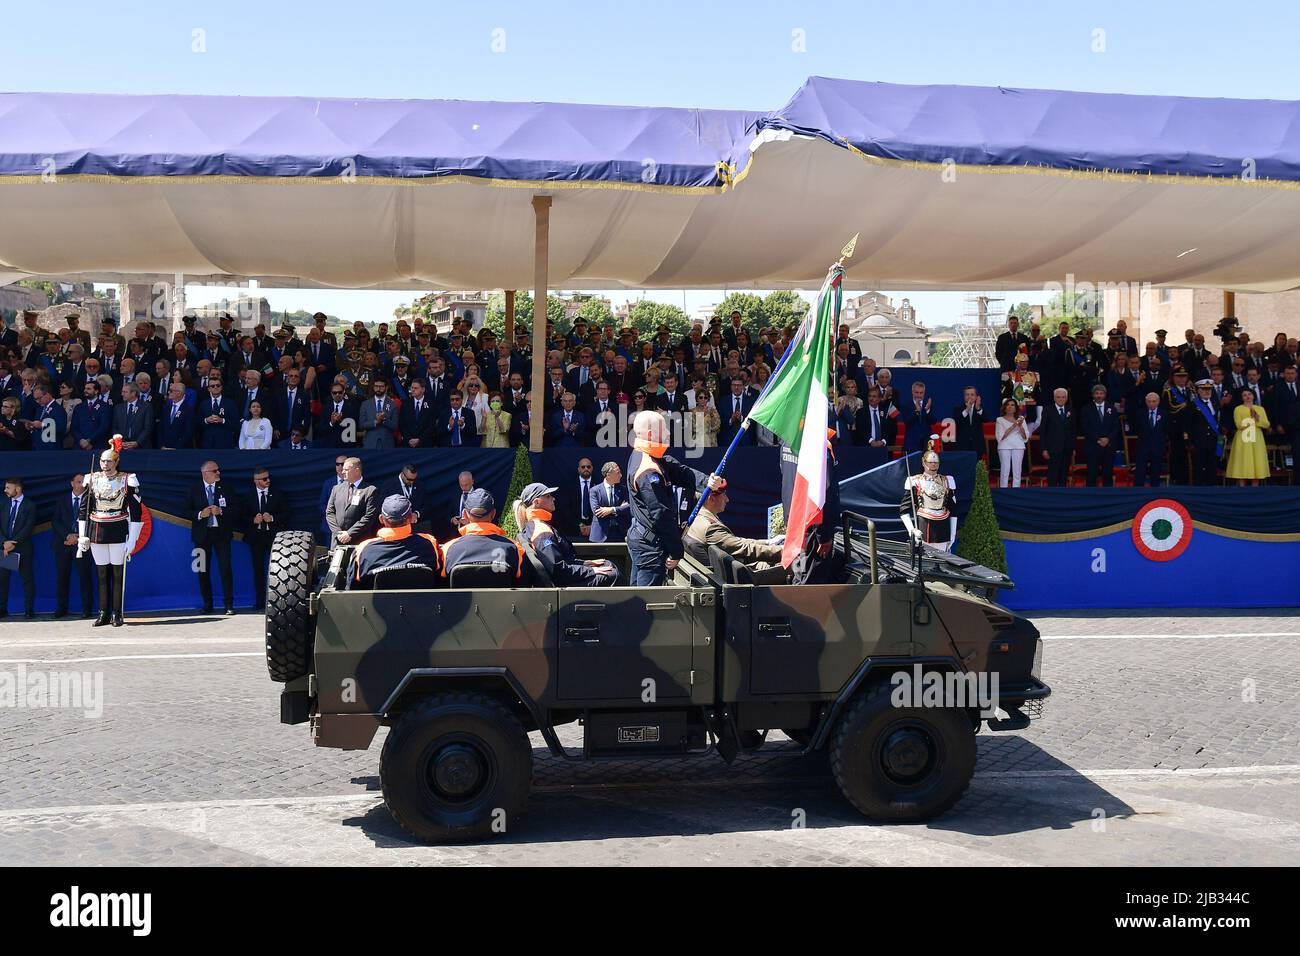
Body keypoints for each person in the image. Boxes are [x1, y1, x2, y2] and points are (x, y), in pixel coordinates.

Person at [625, 410, 720, 586]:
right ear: (652, 434)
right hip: (650, 547)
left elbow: (679, 470)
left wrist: (708, 481)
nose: (669, 433)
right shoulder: (648, 471)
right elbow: (661, 515)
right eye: (664, 428)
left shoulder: (646, 454)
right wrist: (676, 552)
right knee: (646, 604)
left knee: (638, 596)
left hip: (643, 539)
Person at [78, 437, 143, 626]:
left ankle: (117, 612)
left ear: (116, 462)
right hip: (97, 528)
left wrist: (133, 540)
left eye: (109, 461)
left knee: (117, 572)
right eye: (103, 460)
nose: (105, 464)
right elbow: (84, 509)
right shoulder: (92, 478)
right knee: (101, 573)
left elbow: (136, 512)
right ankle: (103, 612)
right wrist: (83, 534)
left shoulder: (127, 480)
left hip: (117, 527)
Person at [515, 483, 618, 587]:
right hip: (561, 588)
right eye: (548, 496)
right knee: (612, 574)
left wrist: (585, 563)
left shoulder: (537, 525)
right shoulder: (541, 532)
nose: (553, 499)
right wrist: (590, 571)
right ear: (536, 502)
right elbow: (558, 571)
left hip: (565, 578)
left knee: (608, 564)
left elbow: (560, 562)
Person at [684, 479, 785, 583]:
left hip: (732, 569)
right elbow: (744, 548)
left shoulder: (698, 517)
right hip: (741, 575)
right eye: (724, 495)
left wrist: (769, 542)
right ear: (711, 498)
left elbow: (735, 542)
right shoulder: (710, 527)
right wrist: (781, 551)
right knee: (792, 568)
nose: (727, 499)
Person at [350, 495, 443, 589]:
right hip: (424, 603)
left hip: (381, 604)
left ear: (381, 519)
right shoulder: (430, 543)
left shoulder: (363, 550)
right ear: (411, 518)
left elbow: (351, 588)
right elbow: (440, 579)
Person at [441, 488, 528, 585]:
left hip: (461, 601)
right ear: (493, 514)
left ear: (465, 515)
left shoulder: (447, 549)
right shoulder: (516, 548)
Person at [187, 460, 238, 615]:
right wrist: (200, 514)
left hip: (221, 535)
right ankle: (207, 604)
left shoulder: (226, 488)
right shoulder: (194, 489)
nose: (218, 473)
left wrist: (221, 511)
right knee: (202, 570)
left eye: (218, 470)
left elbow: (237, 508)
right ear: (205, 473)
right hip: (201, 537)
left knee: (225, 569)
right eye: (214, 471)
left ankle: (228, 605)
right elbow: (185, 510)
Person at [242, 467, 288, 610]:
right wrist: (253, 520)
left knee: (278, 570)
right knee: (258, 570)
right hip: (256, 537)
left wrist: (272, 518)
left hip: (274, 537)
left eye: (268, 478)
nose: (268, 481)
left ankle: (278, 601)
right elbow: (240, 517)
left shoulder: (278, 493)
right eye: (264, 479)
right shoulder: (248, 496)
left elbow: (287, 513)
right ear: (256, 481)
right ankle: (260, 601)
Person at [900, 438, 957, 552]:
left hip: (943, 527)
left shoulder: (947, 480)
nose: (933, 465)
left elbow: (953, 510)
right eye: (930, 462)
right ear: (923, 463)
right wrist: (912, 530)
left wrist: (952, 534)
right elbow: (904, 511)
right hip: (923, 526)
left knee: (942, 562)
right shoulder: (914, 481)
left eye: (936, 462)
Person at [52, 473, 96, 618]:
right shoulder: (62, 499)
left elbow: (92, 521)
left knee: (85, 577)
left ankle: (86, 609)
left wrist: (78, 537)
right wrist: (67, 536)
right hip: (63, 544)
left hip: (82, 543)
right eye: (78, 482)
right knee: (62, 577)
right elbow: (56, 521)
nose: (81, 484)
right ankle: (61, 608)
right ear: (72, 483)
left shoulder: (91, 500)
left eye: (84, 482)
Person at [0, 477, 37, 619]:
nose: (5, 490)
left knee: (27, 579)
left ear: (18, 488)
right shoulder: (3, 504)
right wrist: (4, 542)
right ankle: (2, 609)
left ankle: (29, 610)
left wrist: (13, 542)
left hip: (23, 548)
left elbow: (28, 527)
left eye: (8, 488)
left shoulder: (29, 506)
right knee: (2, 580)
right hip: (5, 549)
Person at [325, 457, 378, 548]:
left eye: (346, 469)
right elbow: (329, 512)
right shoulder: (336, 489)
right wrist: (338, 533)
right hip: (338, 541)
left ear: (357, 471)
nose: (342, 472)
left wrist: (349, 533)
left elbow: (369, 516)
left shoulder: (370, 490)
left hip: (359, 542)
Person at [1226, 387, 1271, 486]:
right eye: (1245, 395)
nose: (1247, 397)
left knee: (1256, 461)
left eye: (1249, 394)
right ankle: (1242, 490)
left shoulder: (1260, 409)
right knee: (1242, 461)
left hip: (1256, 438)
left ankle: (1254, 490)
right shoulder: (1238, 409)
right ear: (1242, 398)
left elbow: (1266, 424)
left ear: (1253, 396)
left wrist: (1257, 418)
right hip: (1243, 439)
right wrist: (1251, 419)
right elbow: (1238, 425)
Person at [1187, 379, 1226, 486]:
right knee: (1199, 469)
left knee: (1212, 468)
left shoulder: (1215, 403)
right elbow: (1188, 426)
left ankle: (1212, 492)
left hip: (1214, 442)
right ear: (1198, 390)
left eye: (1209, 389)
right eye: (1203, 389)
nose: (1207, 391)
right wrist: (1190, 442)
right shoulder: (1193, 405)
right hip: (1199, 442)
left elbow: (1218, 422)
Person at [1081, 383, 1121, 486]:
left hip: (1108, 446)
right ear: (1093, 395)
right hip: (1093, 446)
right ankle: (1090, 498)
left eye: (1101, 393)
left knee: (1107, 474)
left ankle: (1108, 497)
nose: (1099, 395)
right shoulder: (1086, 408)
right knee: (1092, 473)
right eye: (1097, 393)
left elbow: (1116, 427)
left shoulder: (1111, 408)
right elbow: (1085, 427)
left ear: (1105, 395)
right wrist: (1098, 439)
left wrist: (1107, 439)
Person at [1038, 387, 1075, 487]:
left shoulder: (1070, 410)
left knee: (1064, 475)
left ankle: (1062, 499)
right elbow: (1043, 431)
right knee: (1053, 476)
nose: (1061, 399)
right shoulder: (1048, 410)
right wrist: (1044, 449)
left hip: (1066, 449)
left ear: (1066, 398)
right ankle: (1051, 498)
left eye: (1063, 397)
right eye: (1058, 397)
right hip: (1052, 449)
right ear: (1054, 398)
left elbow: (1073, 430)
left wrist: (1073, 447)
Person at [588, 462, 630, 543]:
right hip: (600, 534)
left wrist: (611, 509)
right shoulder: (595, 490)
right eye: (618, 473)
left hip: (619, 533)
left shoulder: (623, 489)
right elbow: (597, 512)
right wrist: (619, 509)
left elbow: (628, 507)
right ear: (608, 475)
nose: (621, 475)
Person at [1133, 391, 1168, 487]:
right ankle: (1138, 491)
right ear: (1146, 402)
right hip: (1143, 447)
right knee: (1140, 470)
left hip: (1158, 446)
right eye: (1149, 401)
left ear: (1158, 401)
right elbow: (1136, 428)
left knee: (1156, 470)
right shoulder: (1140, 413)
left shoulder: (1164, 414)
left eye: (1154, 401)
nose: (1151, 403)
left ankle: (1155, 492)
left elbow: (1166, 430)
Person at [994, 399, 1032, 488]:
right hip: (1004, 446)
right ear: (1004, 407)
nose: (1010, 407)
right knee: (1005, 470)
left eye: (1012, 405)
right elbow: (1000, 437)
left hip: (1018, 446)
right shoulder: (999, 420)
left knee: (1017, 471)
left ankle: (1016, 492)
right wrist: (1014, 425)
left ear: (1016, 408)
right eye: (1008, 405)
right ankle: (1004, 491)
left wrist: (1020, 426)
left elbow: (1025, 437)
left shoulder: (1021, 419)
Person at [360, 376, 397, 448]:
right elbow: (361, 425)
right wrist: (375, 422)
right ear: (373, 387)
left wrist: (384, 420)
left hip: (387, 443)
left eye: (381, 386)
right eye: (376, 386)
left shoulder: (392, 404)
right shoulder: (365, 404)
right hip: (370, 443)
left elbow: (395, 426)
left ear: (386, 388)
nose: (378, 389)